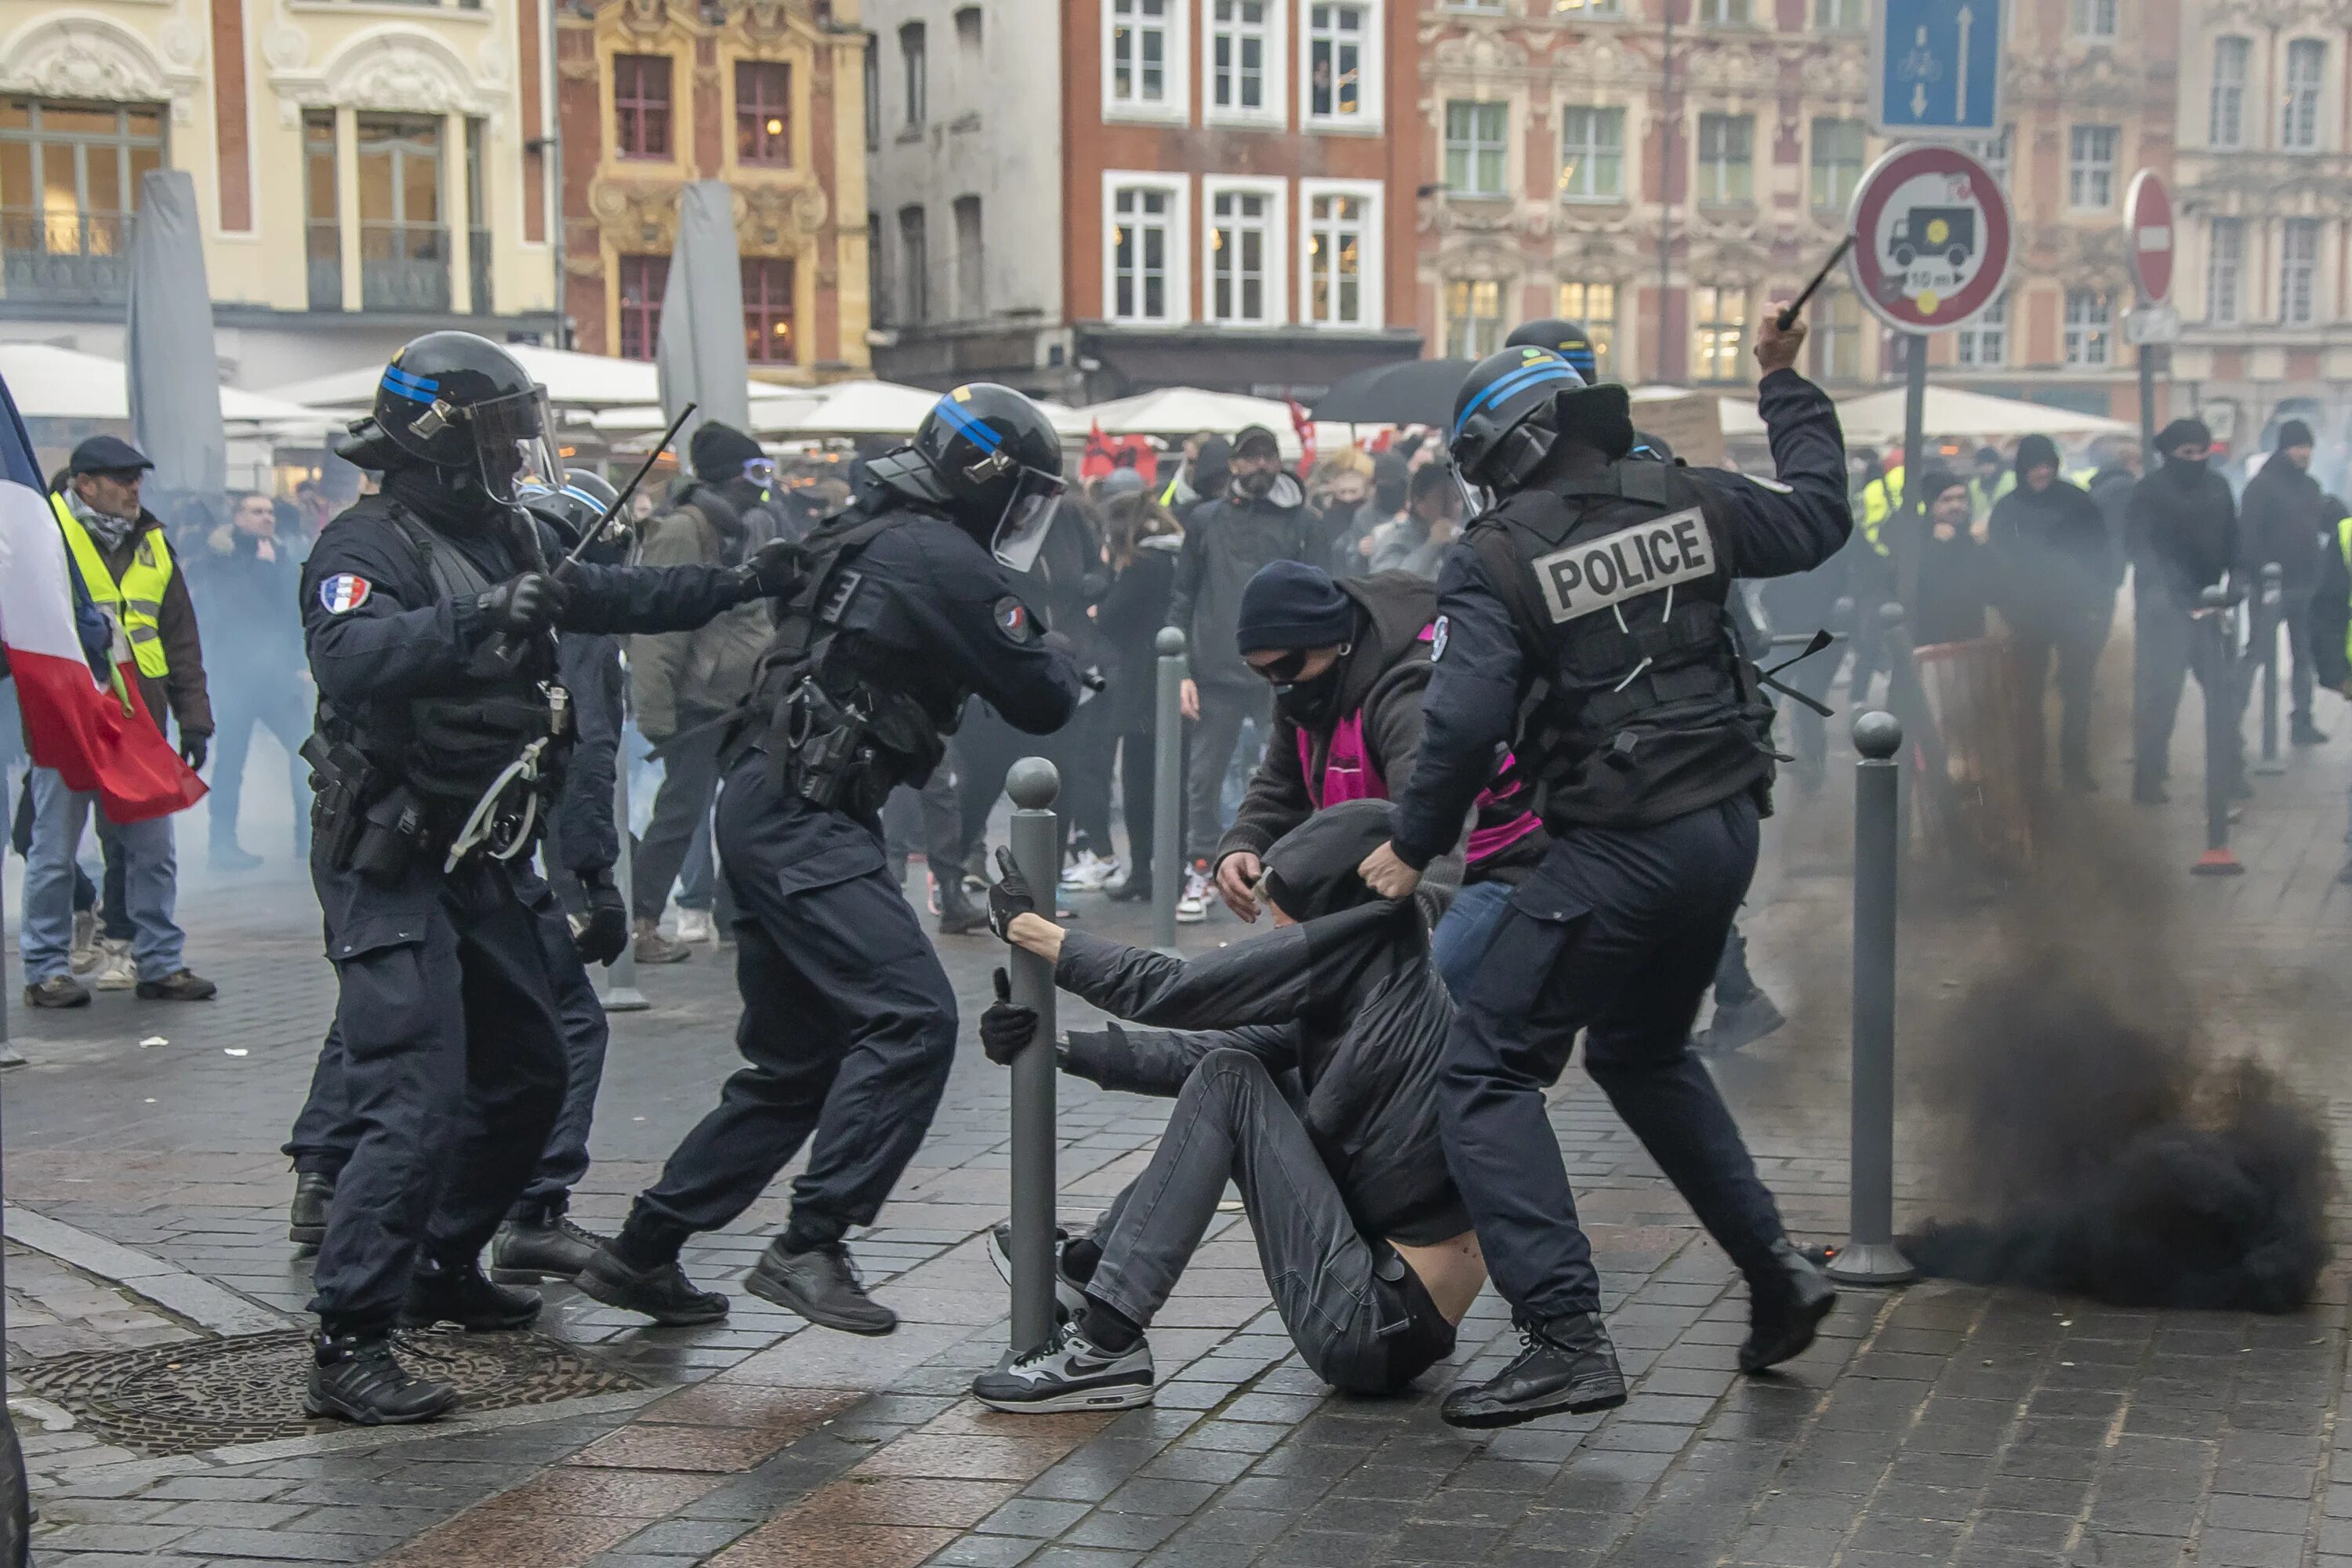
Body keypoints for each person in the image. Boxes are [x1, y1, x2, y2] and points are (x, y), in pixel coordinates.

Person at [1356, 313, 1849, 1429]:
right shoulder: (1689, 496)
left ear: (1510, 451)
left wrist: (1412, 842)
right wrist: (1784, 383)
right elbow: (1820, 518)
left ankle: (1564, 1340)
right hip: (1725, 832)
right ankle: (1779, 1275)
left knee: (1484, 1068)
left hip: (1620, 848)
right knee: (1638, 1052)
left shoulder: (1493, 556)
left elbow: (1467, 717)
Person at [295, 332, 791, 1424]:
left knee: (529, 1072)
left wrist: (748, 578)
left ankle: (442, 1263)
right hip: (392, 857)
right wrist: (477, 617)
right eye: (498, 434)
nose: (519, 454)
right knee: (412, 1095)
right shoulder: (364, 542)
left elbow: (619, 595)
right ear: (440, 440)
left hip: (484, 856)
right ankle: (350, 1340)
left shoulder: (513, 528)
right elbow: (349, 658)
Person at [577, 384, 1081, 1337]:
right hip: (807, 816)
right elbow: (1043, 694)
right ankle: (810, 1241)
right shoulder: (938, 553)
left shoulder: (870, 526)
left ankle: (642, 1248)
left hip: (774, 806)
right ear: (986, 483)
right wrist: (1040, 631)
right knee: (911, 1016)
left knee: (798, 1062)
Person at [968, 801, 1483, 1410]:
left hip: (1374, 1322)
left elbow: (1173, 992)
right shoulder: (1378, 976)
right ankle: (1086, 1266)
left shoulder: (1368, 959)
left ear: (1331, 920)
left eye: (1287, 927)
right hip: (1391, 1309)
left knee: (1229, 1084)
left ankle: (1106, 1345)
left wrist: (1029, 929)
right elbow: (1203, 1051)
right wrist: (1050, 1050)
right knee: (1233, 1076)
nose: (1276, 942)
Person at [282, 470, 639, 1281]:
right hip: (453, 849)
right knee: (538, 1030)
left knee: (391, 1011)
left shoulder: (458, 576)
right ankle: (527, 1209)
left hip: (437, 847)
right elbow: (583, 752)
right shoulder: (526, 599)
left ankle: (325, 1171)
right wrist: (593, 875)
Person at [1204, 560, 1543, 994]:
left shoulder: (1409, 693)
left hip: (1487, 869)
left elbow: (1438, 811)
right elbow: (1280, 784)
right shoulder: (1299, 687)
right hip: (1386, 871)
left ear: (1334, 643)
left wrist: (1412, 930)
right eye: (1261, 672)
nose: (1277, 683)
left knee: (1407, 993)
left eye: (1285, 666)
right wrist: (1243, 842)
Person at [19, 435, 215, 1009]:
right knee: (54, 851)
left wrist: (195, 719)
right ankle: (46, 969)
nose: (134, 488)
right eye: (121, 478)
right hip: (68, 719)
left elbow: (181, 638)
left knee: (153, 851)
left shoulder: (153, 543)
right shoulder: (42, 537)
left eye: (137, 478)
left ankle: (160, 962)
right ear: (84, 483)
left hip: (139, 723)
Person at [626, 423, 782, 963]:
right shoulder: (685, 531)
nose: (764, 485)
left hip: (739, 701)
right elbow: (657, 627)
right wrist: (657, 714)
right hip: (697, 705)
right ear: (726, 478)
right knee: (679, 814)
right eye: (757, 473)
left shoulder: (733, 529)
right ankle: (641, 922)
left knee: (748, 810)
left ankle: (734, 916)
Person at [1165, 426, 1315, 922]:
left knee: (1296, 775)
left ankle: (1293, 874)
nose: (1257, 466)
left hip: (1286, 672)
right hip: (1217, 671)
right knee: (1203, 780)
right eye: (1248, 458)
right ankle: (1202, 869)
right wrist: (1181, 669)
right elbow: (1182, 598)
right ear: (1232, 465)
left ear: (1278, 461)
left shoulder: (1303, 520)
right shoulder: (1206, 520)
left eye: (1266, 456)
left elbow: (1323, 593)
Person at [1985, 434, 2118, 793]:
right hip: (2027, 617)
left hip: (2075, 614)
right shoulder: (2008, 509)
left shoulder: (2078, 503)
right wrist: (2007, 609)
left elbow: (2100, 557)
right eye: (2035, 466)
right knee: (2028, 698)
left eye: (2048, 465)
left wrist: (2097, 605)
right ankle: (2031, 774)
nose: (2043, 472)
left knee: (2078, 694)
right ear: (2022, 468)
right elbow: (1996, 563)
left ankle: (2075, 770)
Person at [193, 491, 310, 869]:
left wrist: (299, 660)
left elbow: (292, 612)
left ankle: (308, 838)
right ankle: (222, 844)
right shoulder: (223, 556)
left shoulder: (279, 555)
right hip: (236, 676)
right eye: (257, 512)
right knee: (231, 761)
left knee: (305, 753)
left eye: (270, 512)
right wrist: (264, 567)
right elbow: (239, 607)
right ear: (238, 518)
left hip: (277, 676)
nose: (267, 518)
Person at [2128, 420, 2240, 804]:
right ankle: (2149, 776)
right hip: (2164, 606)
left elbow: (2233, 539)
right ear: (2170, 454)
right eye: (2186, 453)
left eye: (2201, 452)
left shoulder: (2218, 488)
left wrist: (2237, 579)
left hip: (2209, 601)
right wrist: (2166, 591)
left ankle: (2232, 770)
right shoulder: (2149, 492)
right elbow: (2140, 548)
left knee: (2222, 690)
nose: (2195, 460)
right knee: (2162, 694)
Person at [1096, 491, 1184, 903]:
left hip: (1139, 684)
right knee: (1175, 782)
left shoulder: (1142, 566)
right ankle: (1177, 867)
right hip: (1179, 681)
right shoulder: (1179, 557)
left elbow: (1111, 618)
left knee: (1138, 781)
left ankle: (1143, 870)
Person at [2240, 419, 2332, 748]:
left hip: (2305, 583)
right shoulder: (2262, 486)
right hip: (2271, 586)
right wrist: (2262, 571)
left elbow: (2318, 526)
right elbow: (2249, 536)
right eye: (2298, 446)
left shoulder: (2310, 486)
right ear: (2284, 447)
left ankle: (2302, 720)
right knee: (2257, 652)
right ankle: (2232, 721)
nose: (2304, 453)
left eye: (2308, 447)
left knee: (2304, 657)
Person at [1910, 467, 1994, 647]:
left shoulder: (1974, 537)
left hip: (1971, 640)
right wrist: (1936, 546)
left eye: (1961, 499)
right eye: (1946, 500)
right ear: (1930, 503)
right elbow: (1912, 585)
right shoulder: (1916, 537)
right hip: (1929, 643)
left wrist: (1985, 547)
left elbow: (1996, 589)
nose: (1956, 506)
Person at [1367, 465, 1467, 579]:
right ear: (1420, 503)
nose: (1451, 507)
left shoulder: (1462, 539)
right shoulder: (1395, 541)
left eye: (1457, 498)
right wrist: (1432, 545)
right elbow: (1389, 585)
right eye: (1442, 499)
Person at [1969, 445, 2013, 521]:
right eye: (1982, 465)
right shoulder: (1973, 485)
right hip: (1981, 528)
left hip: (2007, 524)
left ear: (1997, 464)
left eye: (1989, 464)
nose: (1986, 468)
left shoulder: (2012, 478)